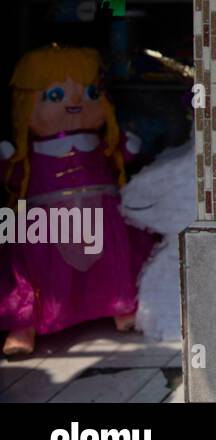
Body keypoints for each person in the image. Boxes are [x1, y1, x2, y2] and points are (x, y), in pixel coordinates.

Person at [0, 46, 155, 356]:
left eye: (90, 92)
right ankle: (24, 324)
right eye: (55, 96)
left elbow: (120, 155)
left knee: (113, 260)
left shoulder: (102, 143)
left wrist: (128, 147)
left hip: (102, 213)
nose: (75, 102)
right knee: (34, 266)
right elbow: (15, 178)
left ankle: (122, 307)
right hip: (45, 220)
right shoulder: (27, 153)